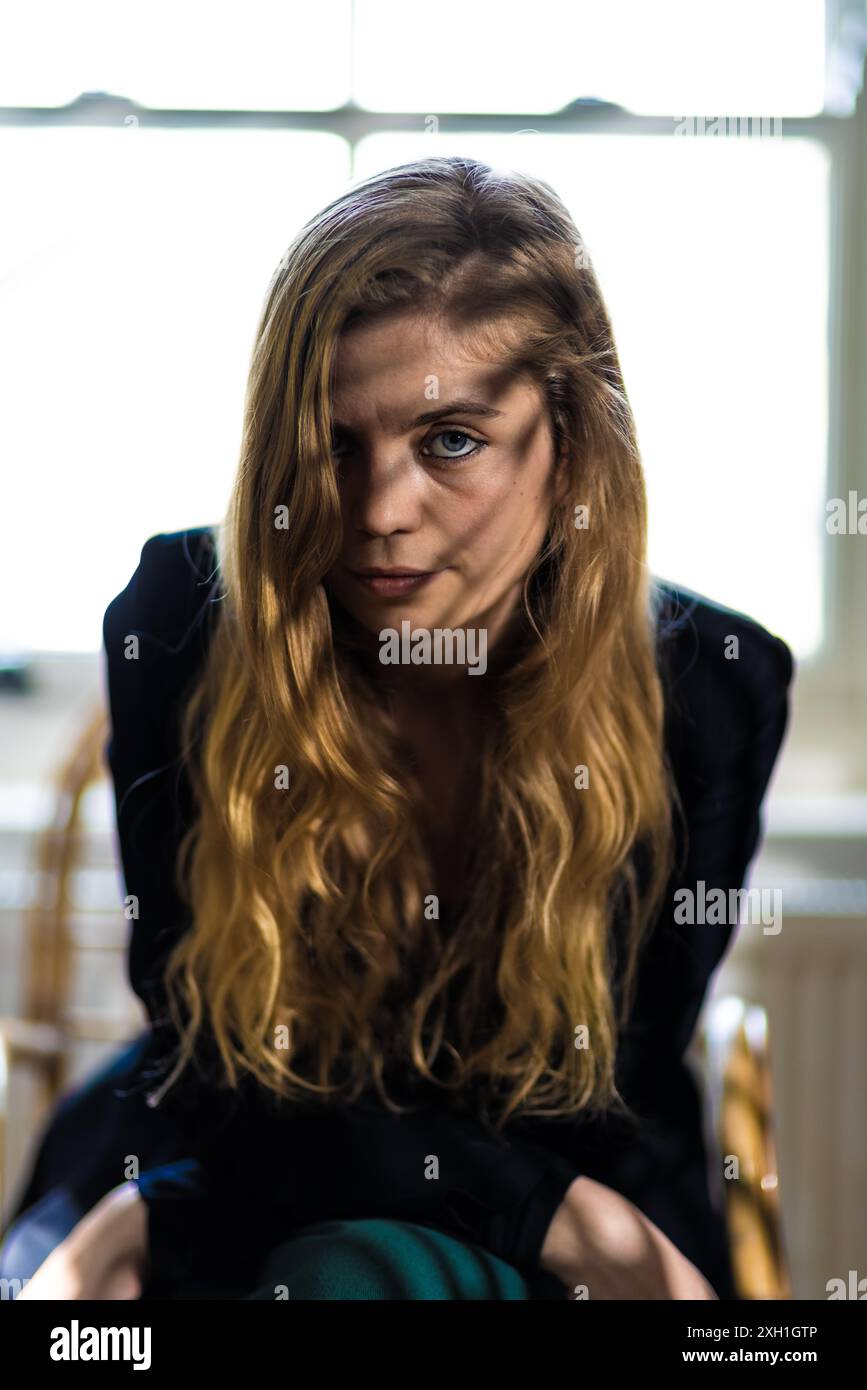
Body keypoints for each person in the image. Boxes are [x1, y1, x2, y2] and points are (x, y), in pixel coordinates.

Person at [4, 155, 793, 1301]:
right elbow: (214, 1070)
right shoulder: (181, 625)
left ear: (570, 445)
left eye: (451, 442)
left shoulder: (710, 687)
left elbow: (599, 1090)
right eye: (334, 445)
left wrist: (551, 1218)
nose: (377, 512)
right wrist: (137, 1218)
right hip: (229, 1152)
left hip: (573, 1169)